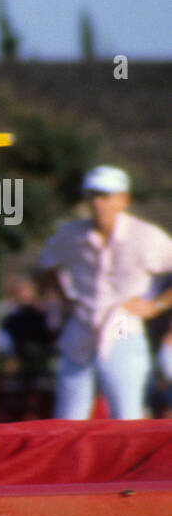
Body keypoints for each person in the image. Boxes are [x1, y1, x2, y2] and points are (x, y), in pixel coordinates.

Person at [35, 165, 172, 420]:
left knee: (127, 417)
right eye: (93, 195)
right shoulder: (71, 235)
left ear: (123, 199)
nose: (98, 203)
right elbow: (46, 265)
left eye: (105, 195)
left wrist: (157, 306)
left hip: (123, 326)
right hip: (82, 326)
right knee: (67, 420)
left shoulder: (145, 236)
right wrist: (64, 299)